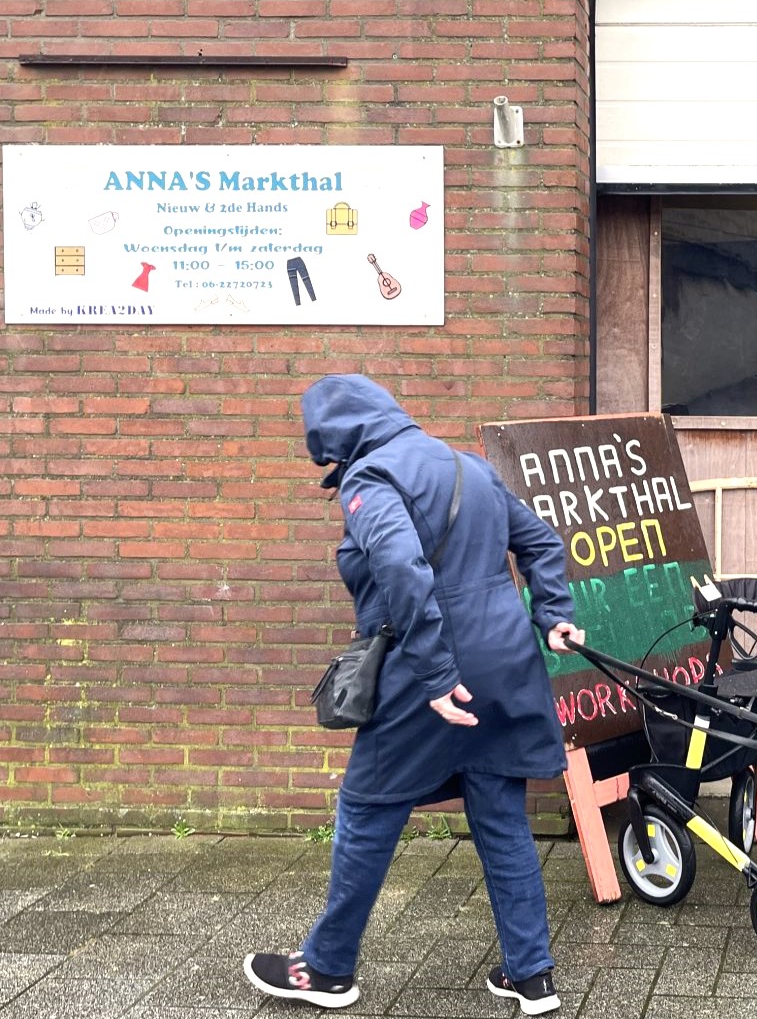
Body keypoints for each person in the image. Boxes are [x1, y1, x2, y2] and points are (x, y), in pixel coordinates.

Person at [245, 374, 583, 1015]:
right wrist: (554, 614)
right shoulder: (470, 469)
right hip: (508, 662)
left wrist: (432, 675)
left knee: (367, 809)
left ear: (338, 443)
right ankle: (532, 975)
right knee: (500, 813)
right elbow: (539, 540)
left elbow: (402, 569)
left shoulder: (370, 480)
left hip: (429, 674)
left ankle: (326, 969)